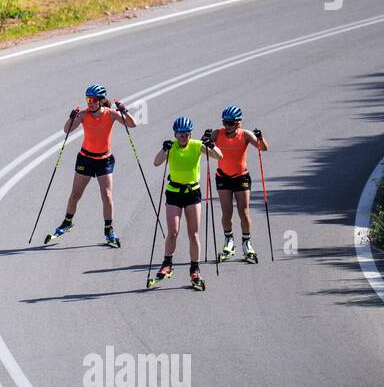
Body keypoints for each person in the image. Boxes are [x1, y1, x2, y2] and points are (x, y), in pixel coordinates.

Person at [45, 84, 136, 248]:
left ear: (101, 101)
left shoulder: (111, 114)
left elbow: (132, 124)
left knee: (107, 196)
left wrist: (124, 111)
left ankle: (109, 229)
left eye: (93, 100)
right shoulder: (83, 115)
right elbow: (66, 130)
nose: (90, 103)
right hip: (85, 159)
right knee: (75, 194)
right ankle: (67, 222)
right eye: (88, 99)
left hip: (104, 161)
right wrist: (71, 118)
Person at [150, 116, 223, 291]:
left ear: (190, 133)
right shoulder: (171, 147)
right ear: (175, 134)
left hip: (192, 193)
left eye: (186, 133)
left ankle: (194, 269)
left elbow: (219, 156)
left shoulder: (197, 145)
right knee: (173, 232)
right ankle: (167, 264)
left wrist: (211, 145)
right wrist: (163, 149)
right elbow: (156, 163)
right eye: (180, 133)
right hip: (174, 192)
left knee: (193, 233)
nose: (183, 136)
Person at [213, 105, 269, 263]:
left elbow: (263, 148)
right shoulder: (217, 133)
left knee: (243, 212)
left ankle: (247, 243)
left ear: (238, 123)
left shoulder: (245, 135)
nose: (226, 126)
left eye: (230, 123)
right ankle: (229, 242)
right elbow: (202, 148)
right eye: (225, 122)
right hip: (223, 177)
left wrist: (260, 138)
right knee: (226, 213)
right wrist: (205, 139)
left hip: (241, 177)